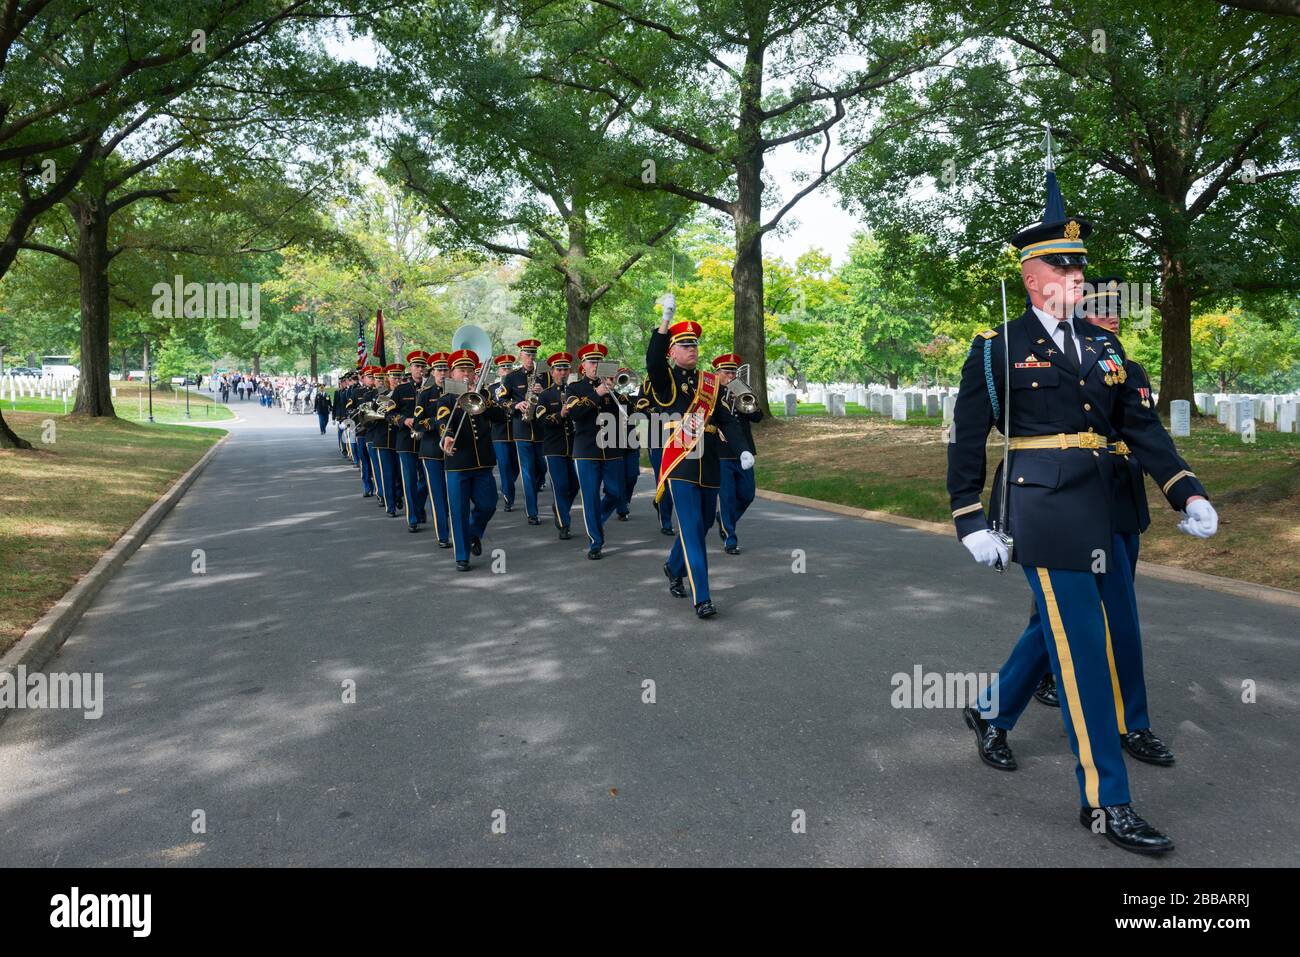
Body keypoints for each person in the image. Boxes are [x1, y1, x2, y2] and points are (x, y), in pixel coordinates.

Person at [950, 178, 1219, 856]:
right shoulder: (995, 346)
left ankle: (989, 710)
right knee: (1083, 659)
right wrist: (969, 519)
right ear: (1035, 277)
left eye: (1081, 266)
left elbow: (1143, 427)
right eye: (1067, 267)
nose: (1079, 276)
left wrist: (1185, 489)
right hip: (1040, 511)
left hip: (1103, 510)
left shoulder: (1103, 350)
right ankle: (1107, 801)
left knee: (1072, 638)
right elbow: (967, 435)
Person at [644, 304, 752, 618]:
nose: (692, 349)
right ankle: (702, 597)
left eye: (694, 345)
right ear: (672, 352)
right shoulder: (666, 381)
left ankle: (672, 566)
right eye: (685, 345)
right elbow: (652, 359)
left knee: (704, 523)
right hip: (681, 460)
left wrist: (742, 448)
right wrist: (665, 322)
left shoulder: (709, 383)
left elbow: (727, 420)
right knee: (691, 527)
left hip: (709, 461)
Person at [436, 349, 509, 571]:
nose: (466, 373)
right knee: (458, 511)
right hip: (458, 463)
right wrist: (446, 436)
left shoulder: (483, 395)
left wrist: (485, 399)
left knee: (488, 505)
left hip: (483, 463)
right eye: (461, 370)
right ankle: (462, 556)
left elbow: (500, 417)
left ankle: (474, 533)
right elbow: (442, 420)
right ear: (452, 374)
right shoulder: (446, 398)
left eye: (469, 369)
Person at [565, 343, 630, 560]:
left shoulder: (612, 389)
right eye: (592, 362)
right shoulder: (574, 388)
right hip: (586, 450)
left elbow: (627, 411)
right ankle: (596, 541)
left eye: (599, 362)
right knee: (591, 497)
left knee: (616, 493)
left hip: (611, 448)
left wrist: (613, 390)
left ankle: (595, 521)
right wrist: (597, 393)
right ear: (583, 366)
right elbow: (575, 413)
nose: (596, 366)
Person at [711, 353, 762, 555]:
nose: (731, 376)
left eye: (733, 372)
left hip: (745, 452)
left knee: (748, 494)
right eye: (727, 372)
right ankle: (730, 538)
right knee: (727, 497)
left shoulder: (743, 391)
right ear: (718, 374)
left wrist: (744, 401)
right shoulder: (713, 393)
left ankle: (724, 519)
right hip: (722, 452)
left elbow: (758, 417)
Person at [502, 339, 549, 525]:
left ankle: (534, 494)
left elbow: (553, 398)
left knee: (541, 468)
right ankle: (532, 511)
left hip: (539, 429)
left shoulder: (544, 376)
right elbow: (501, 401)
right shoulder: (512, 377)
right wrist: (516, 404)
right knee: (527, 471)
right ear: (520, 355)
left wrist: (543, 391)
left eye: (533, 355)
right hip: (521, 429)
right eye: (527, 355)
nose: (530, 358)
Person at [536, 352, 578, 540]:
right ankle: (563, 524)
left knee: (575, 485)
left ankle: (559, 508)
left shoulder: (575, 391)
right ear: (552, 372)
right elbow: (541, 419)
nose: (562, 373)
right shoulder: (545, 395)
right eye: (559, 370)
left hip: (575, 446)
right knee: (560, 486)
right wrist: (560, 415)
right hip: (554, 448)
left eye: (565, 369)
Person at [415, 352, 452, 548]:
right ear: (433, 372)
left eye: (445, 369)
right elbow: (418, 424)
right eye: (439, 370)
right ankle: (443, 535)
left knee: (453, 494)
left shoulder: (457, 392)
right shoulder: (425, 393)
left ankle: (456, 528)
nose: (443, 373)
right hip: (431, 451)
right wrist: (438, 422)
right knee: (438, 494)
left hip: (454, 451)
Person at [392, 351, 430, 533]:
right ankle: (413, 518)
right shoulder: (401, 390)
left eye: (423, 366)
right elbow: (389, 413)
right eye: (417, 366)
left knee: (426, 481)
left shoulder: (431, 389)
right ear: (410, 368)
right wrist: (403, 420)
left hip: (426, 441)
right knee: (409, 480)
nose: (420, 369)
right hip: (406, 441)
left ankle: (418, 505)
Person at [490, 354, 520, 512]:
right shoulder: (491, 389)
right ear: (499, 371)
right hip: (499, 433)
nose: (507, 370)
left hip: (515, 431)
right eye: (504, 368)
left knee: (516, 466)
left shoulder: (515, 386)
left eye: (509, 367)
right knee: (504, 465)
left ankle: (507, 486)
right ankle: (509, 497)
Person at [615, 367, 640, 522]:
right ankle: (621, 508)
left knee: (632, 476)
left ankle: (625, 500)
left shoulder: (633, 397)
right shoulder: (610, 395)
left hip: (631, 441)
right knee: (618, 476)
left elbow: (640, 414)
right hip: (614, 441)